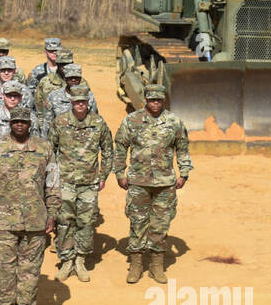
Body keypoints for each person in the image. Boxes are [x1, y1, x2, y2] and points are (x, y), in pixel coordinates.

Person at [0, 105, 60, 305]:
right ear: (10, 124)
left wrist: (52, 213)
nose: (20, 125)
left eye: (24, 121)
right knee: (3, 270)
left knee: (29, 272)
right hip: (3, 221)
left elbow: (53, 183)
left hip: (35, 221)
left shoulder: (44, 149)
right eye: (16, 122)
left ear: (30, 124)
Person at [114, 83, 192, 284]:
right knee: (138, 222)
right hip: (138, 181)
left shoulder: (174, 122)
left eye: (159, 100)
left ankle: (156, 265)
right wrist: (120, 173)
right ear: (145, 100)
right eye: (152, 100)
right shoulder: (132, 121)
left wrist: (184, 172)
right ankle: (137, 264)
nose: (155, 103)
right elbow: (121, 146)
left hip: (165, 183)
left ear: (163, 100)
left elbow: (182, 148)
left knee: (160, 224)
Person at [48, 82, 114, 282]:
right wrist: (52, 180)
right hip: (65, 182)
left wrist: (102, 176)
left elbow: (108, 151)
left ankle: (80, 260)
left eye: (83, 102)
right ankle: (67, 260)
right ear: (71, 102)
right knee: (65, 221)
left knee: (86, 222)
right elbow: (50, 152)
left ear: (88, 102)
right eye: (76, 102)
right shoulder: (60, 123)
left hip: (89, 182)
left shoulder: (98, 123)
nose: (80, 105)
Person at [33, 48, 74, 118]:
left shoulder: (81, 83)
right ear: (57, 64)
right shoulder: (45, 81)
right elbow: (39, 108)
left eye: (68, 64)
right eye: (62, 65)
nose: (65, 67)